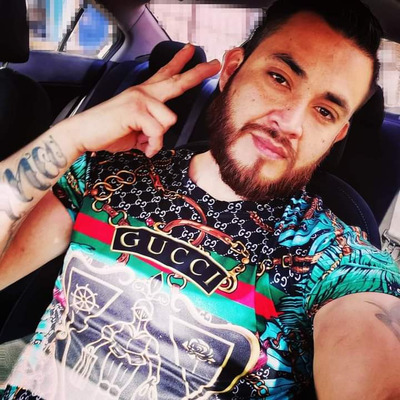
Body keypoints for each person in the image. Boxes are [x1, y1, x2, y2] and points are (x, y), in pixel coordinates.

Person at [0, 0, 399, 398]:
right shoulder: (106, 172)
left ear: (337, 134)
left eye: (325, 112)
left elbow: (370, 347)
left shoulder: (332, 259)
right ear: (232, 69)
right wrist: (71, 138)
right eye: (279, 78)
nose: (291, 123)